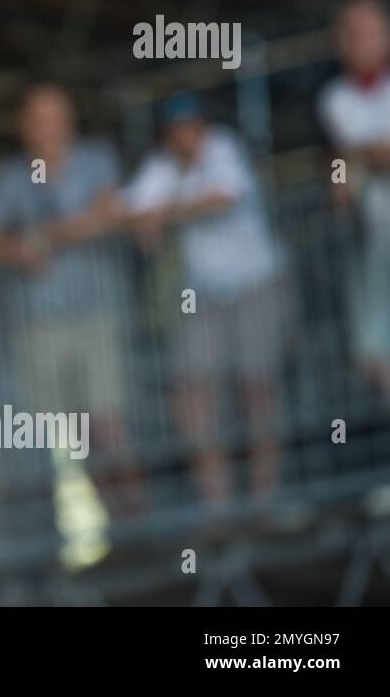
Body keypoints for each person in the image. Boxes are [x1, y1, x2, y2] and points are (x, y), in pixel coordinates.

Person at [0, 83, 142, 561]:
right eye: (37, 117)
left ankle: (140, 523)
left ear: (69, 120)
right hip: (38, 326)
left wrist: (43, 238)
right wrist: (15, 249)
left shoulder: (97, 158)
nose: (46, 128)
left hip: (96, 315)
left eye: (54, 116)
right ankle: (113, 535)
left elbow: (113, 214)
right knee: (70, 436)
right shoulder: (9, 176)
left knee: (110, 426)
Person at [123, 93, 290, 511]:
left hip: (256, 283)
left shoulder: (224, 147)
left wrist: (166, 213)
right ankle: (218, 508)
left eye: (193, 128)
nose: (187, 138)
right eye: (178, 131)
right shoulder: (159, 168)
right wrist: (148, 221)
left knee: (257, 388)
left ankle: (263, 503)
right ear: (166, 136)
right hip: (198, 295)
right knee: (194, 394)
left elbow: (224, 196)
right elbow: (134, 214)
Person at [317, 0, 390, 401]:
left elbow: (363, 156)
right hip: (374, 241)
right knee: (373, 354)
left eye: (367, 30)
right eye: (350, 31)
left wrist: (358, 157)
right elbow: (343, 167)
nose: (357, 39)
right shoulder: (335, 98)